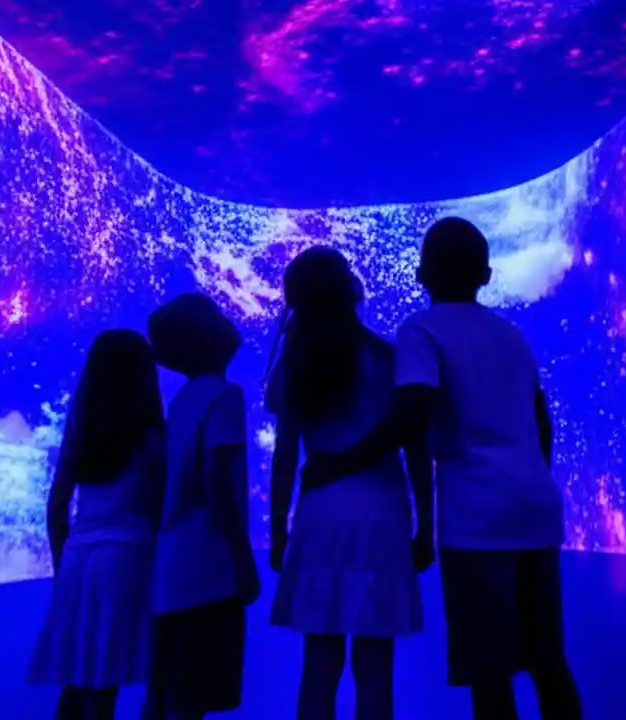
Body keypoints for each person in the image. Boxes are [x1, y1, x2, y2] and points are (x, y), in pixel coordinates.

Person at [302, 218, 583, 720]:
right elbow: (542, 422)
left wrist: (341, 462)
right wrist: (533, 480)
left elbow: (411, 412)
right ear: (487, 275)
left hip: (478, 519)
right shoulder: (512, 335)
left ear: (420, 272)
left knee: (489, 668)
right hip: (537, 508)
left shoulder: (420, 329)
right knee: (547, 659)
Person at [265, 247, 433, 720]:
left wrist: (278, 531)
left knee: (319, 662)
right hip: (383, 515)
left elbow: (284, 458)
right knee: (375, 667)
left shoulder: (295, 368)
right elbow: (415, 447)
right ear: (350, 290)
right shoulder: (391, 358)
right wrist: (427, 526)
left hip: (320, 517)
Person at [30, 329, 166, 720]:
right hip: (128, 558)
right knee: (104, 680)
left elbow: (56, 507)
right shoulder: (153, 439)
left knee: (76, 679)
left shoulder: (81, 434)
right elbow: (160, 508)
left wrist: (62, 568)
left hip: (78, 559)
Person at [143, 293, 259, 720]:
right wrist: (242, 558)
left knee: (163, 695)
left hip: (171, 567)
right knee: (191, 700)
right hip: (207, 569)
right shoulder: (224, 396)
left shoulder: (183, 399)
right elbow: (216, 479)